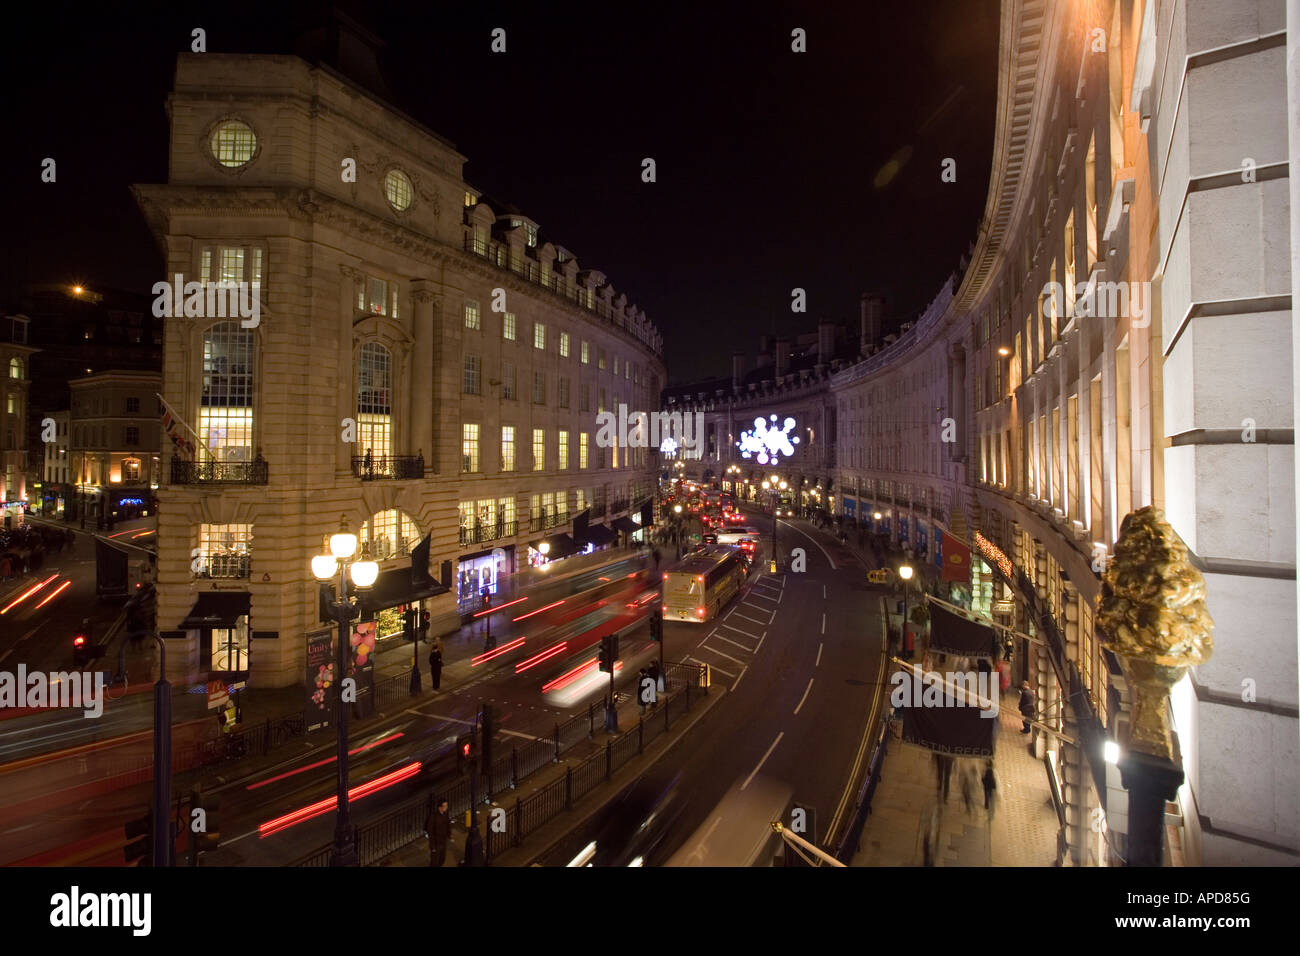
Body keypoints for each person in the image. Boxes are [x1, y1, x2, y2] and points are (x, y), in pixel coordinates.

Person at [427, 798, 451, 867]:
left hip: (443, 841)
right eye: (445, 806)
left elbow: (447, 824)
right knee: (434, 862)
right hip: (436, 843)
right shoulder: (433, 817)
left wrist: (449, 834)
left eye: (447, 806)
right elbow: (430, 832)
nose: (447, 807)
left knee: (442, 859)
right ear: (440, 807)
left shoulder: (445, 814)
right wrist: (432, 846)